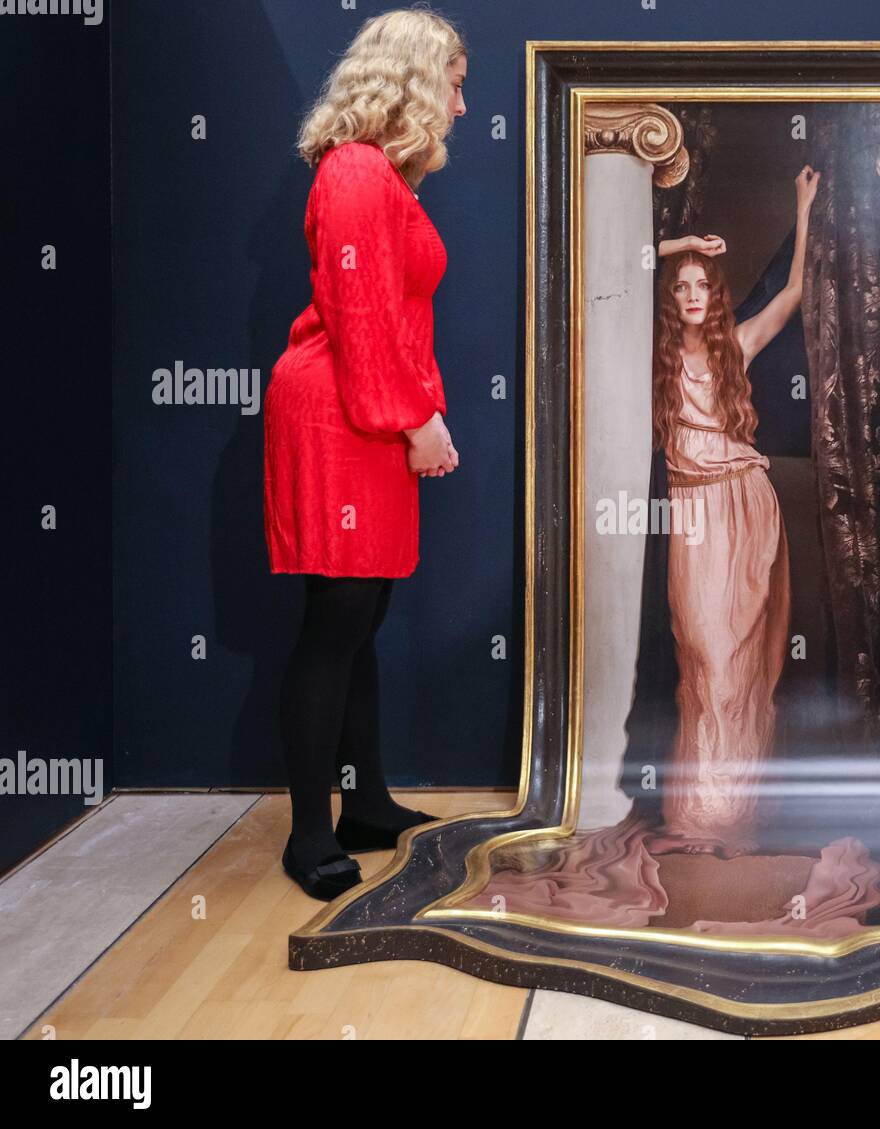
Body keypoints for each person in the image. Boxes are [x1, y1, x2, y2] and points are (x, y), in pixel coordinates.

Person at [262, 8, 467, 900]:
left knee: (361, 618)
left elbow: (391, 312)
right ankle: (308, 833)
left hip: (369, 410)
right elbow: (360, 319)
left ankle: (368, 803)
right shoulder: (352, 173)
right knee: (336, 621)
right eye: (456, 83)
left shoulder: (381, 176)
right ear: (419, 79)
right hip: (339, 411)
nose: (462, 106)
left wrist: (421, 411)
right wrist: (416, 418)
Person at [642, 165, 819, 857]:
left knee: (746, 659)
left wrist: (801, 206)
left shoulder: (736, 346)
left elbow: (796, 290)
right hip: (692, 514)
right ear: (671, 298)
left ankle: (733, 809)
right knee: (703, 653)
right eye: (680, 287)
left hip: (746, 506)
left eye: (701, 286)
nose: (691, 295)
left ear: (715, 296)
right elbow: (608, 267)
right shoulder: (655, 357)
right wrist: (680, 241)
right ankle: (699, 806)